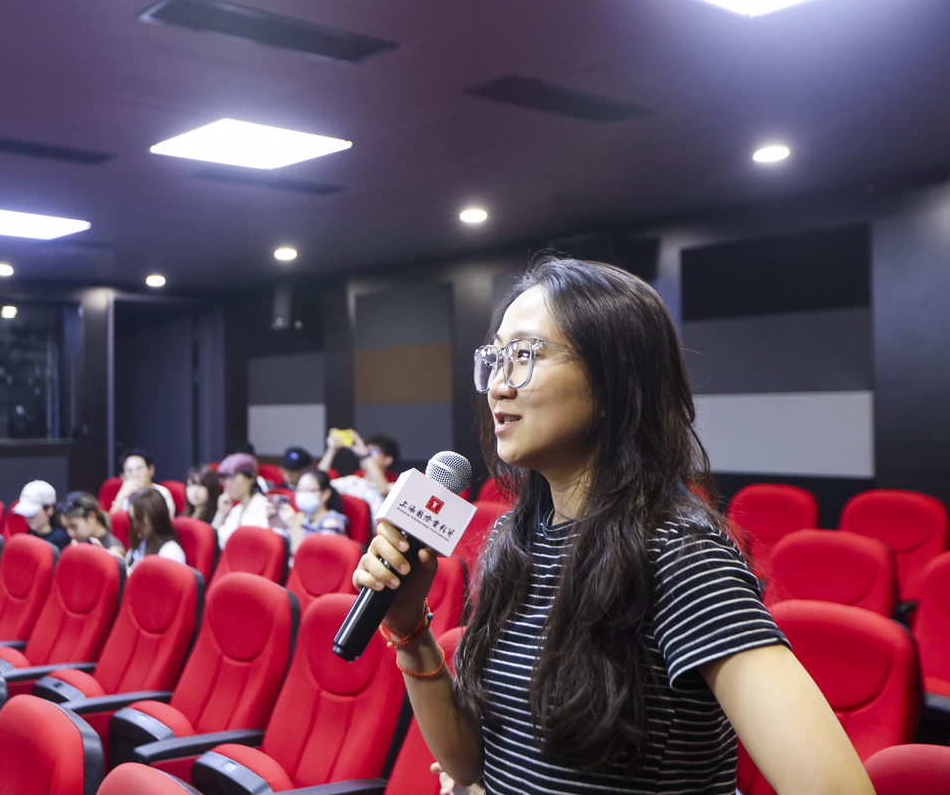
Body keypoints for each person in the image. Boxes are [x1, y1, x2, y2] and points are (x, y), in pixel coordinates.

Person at [354, 255, 873, 795]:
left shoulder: (678, 552)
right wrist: (410, 627)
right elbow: (472, 766)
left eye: (526, 355)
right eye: (497, 358)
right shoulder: (520, 538)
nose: (498, 386)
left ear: (613, 382)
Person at [319, 429, 399, 514]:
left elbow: (384, 491)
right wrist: (331, 450)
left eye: (374, 452)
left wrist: (366, 454)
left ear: (388, 460)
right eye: (367, 449)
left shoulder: (395, 482)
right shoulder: (354, 480)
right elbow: (318, 482)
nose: (367, 453)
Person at [272, 469, 349, 551]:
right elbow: (281, 545)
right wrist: (272, 519)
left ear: (325, 494)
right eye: (299, 489)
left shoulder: (332, 523)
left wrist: (293, 526)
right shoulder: (301, 517)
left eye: (308, 490)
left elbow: (307, 556)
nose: (302, 494)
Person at [212, 453, 270, 547]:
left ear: (250, 478)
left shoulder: (265, 508)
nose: (227, 483)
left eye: (232, 477)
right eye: (225, 478)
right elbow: (212, 543)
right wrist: (221, 513)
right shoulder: (235, 511)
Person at [125, 488, 186, 568]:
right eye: (132, 519)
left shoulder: (170, 551)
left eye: (139, 519)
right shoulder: (142, 542)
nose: (135, 525)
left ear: (155, 517)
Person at [110, 450, 175, 519]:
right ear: (122, 476)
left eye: (139, 468)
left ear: (151, 470)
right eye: (129, 470)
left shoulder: (161, 492)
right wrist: (120, 497)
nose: (135, 474)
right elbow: (113, 525)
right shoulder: (124, 496)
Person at [59, 492, 125, 557]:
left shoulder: (114, 550)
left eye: (73, 526)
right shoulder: (76, 543)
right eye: (66, 528)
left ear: (91, 516)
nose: (70, 533)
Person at [12, 480, 70, 551]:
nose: (28, 518)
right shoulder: (27, 535)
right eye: (25, 513)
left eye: (32, 513)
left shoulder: (61, 538)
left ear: (49, 509)